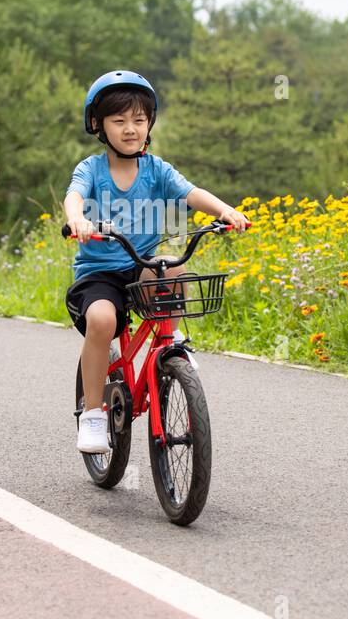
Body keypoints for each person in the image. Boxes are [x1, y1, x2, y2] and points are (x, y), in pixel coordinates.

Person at [63, 71, 249, 454]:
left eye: (139, 120)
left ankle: (171, 339)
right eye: (119, 121)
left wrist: (225, 210)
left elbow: (192, 193)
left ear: (149, 124)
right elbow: (74, 197)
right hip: (100, 274)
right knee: (102, 320)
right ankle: (93, 415)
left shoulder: (157, 169)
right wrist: (77, 219)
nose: (130, 129)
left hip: (141, 267)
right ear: (98, 125)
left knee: (171, 263)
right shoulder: (91, 170)